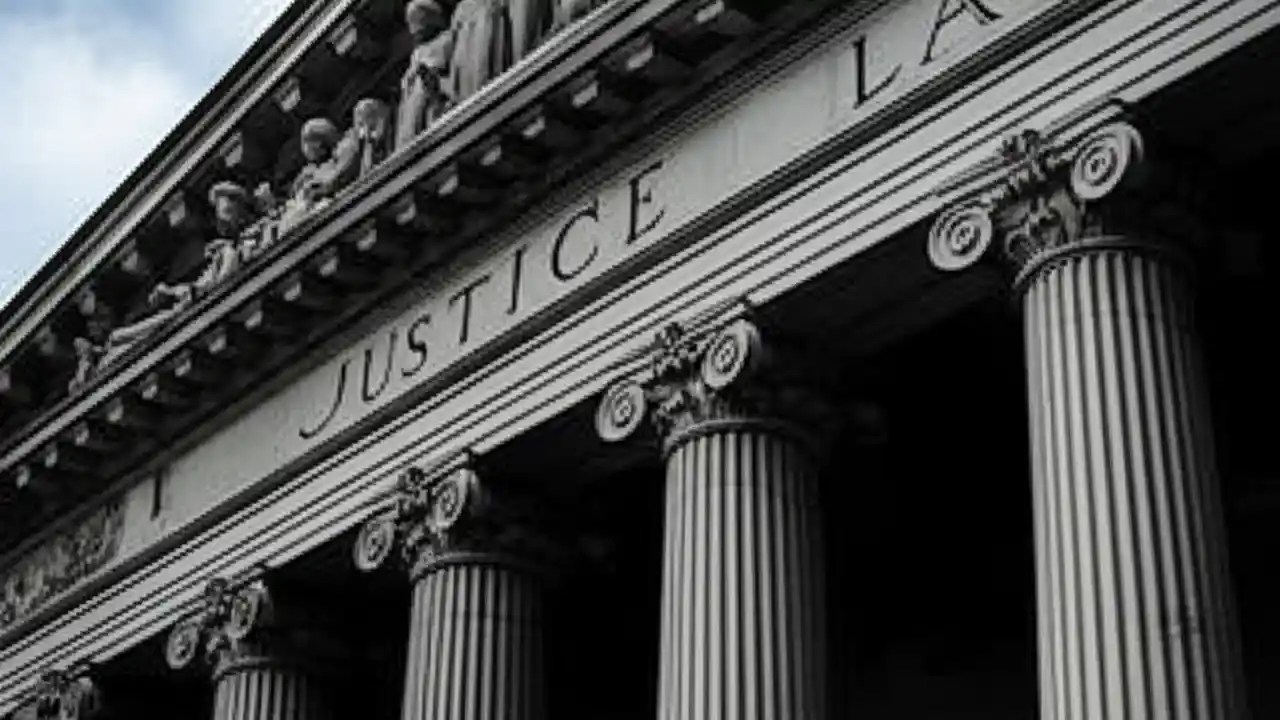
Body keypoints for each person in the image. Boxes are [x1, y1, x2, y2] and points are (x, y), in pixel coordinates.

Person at [396, 0, 455, 151]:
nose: (415, 31)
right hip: (412, 124)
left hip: (436, 111)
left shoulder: (445, 40)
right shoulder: (416, 55)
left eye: (419, 21)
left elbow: (441, 71)